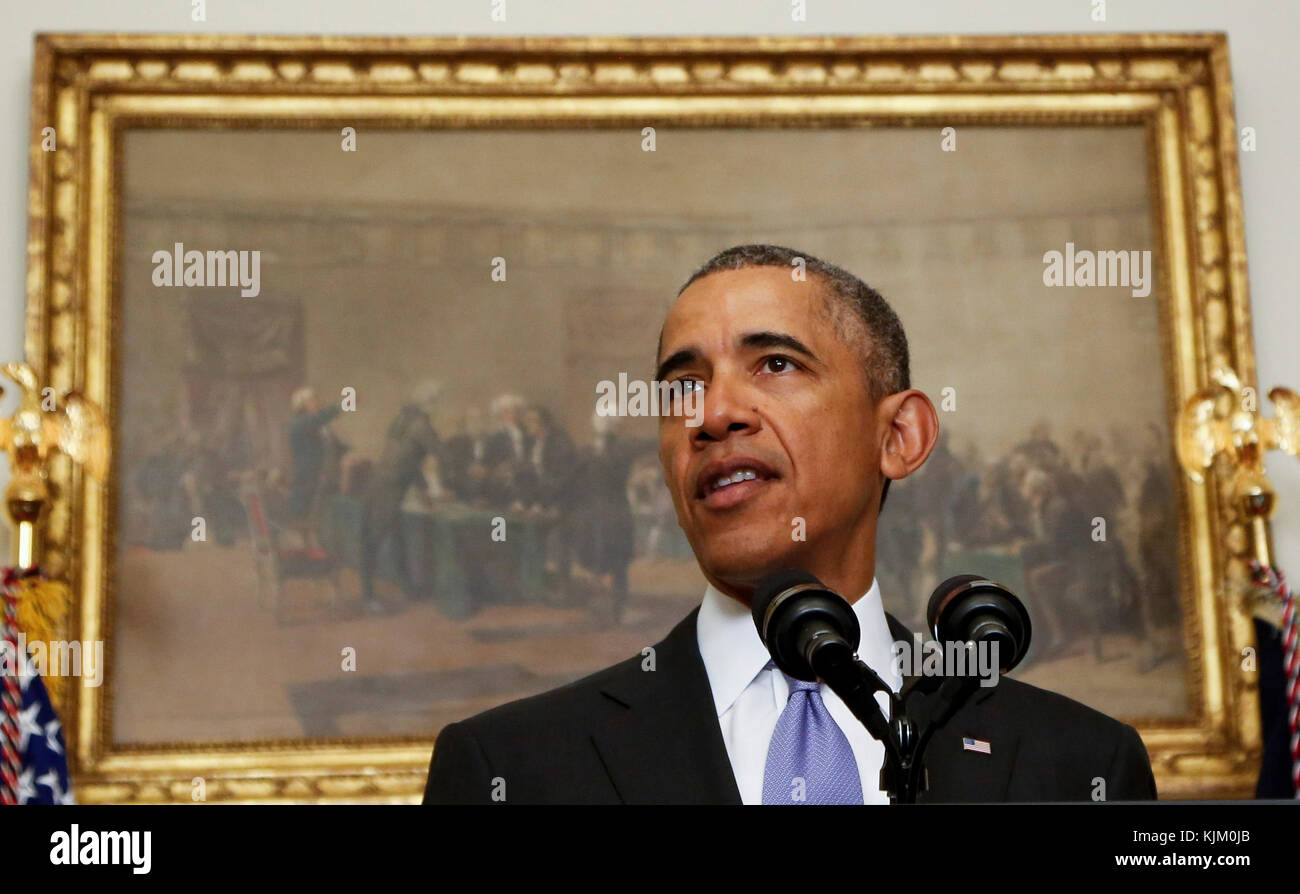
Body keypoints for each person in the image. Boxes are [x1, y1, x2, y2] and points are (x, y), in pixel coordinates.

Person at [425, 244, 1155, 804]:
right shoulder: (508, 769)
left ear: (899, 436)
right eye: (683, 386)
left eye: (775, 364)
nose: (713, 415)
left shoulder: (1081, 765)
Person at [358, 380, 445, 614]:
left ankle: (407, 588)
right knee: (374, 541)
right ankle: (368, 598)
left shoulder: (400, 422)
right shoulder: (422, 427)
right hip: (389, 489)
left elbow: (410, 461)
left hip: (377, 485)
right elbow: (442, 456)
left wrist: (423, 489)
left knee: (394, 538)